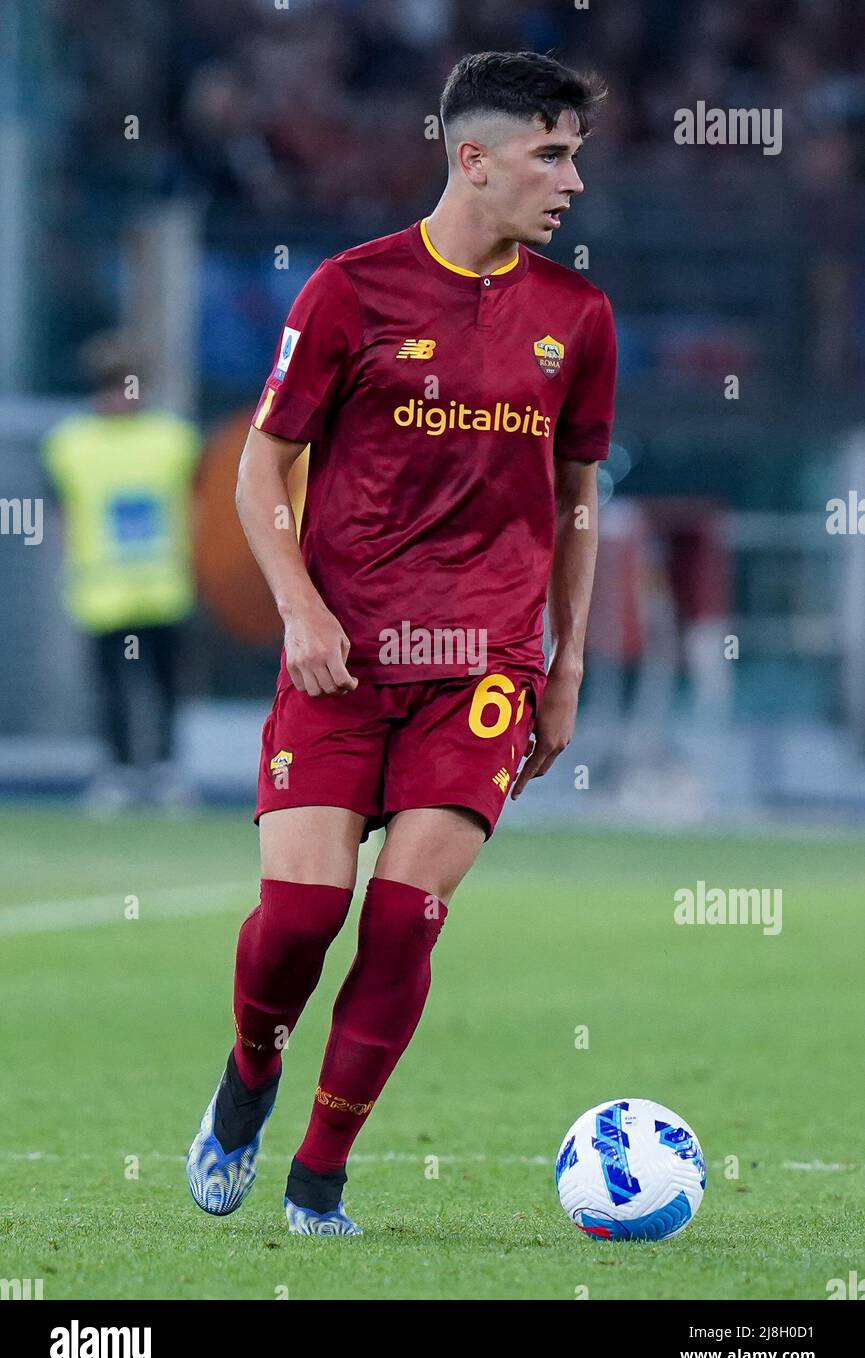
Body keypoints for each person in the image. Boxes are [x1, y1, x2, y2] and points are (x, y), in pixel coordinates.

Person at [186, 50, 616, 1234]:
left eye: (573, 152)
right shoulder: (349, 291)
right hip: (342, 655)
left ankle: (320, 1172)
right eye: (551, 153)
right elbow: (260, 468)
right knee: (302, 919)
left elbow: (578, 501)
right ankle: (251, 1073)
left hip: (481, 666)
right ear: (471, 158)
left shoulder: (577, 317)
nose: (571, 178)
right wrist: (299, 608)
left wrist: (564, 662)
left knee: (403, 913)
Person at [43, 332, 200, 811]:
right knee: (111, 689)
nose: (120, 396)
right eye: (111, 385)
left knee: (166, 687)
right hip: (104, 594)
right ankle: (119, 773)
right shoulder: (71, 445)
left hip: (163, 589)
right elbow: (63, 515)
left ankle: (167, 773)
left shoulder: (173, 440)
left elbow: (195, 507)